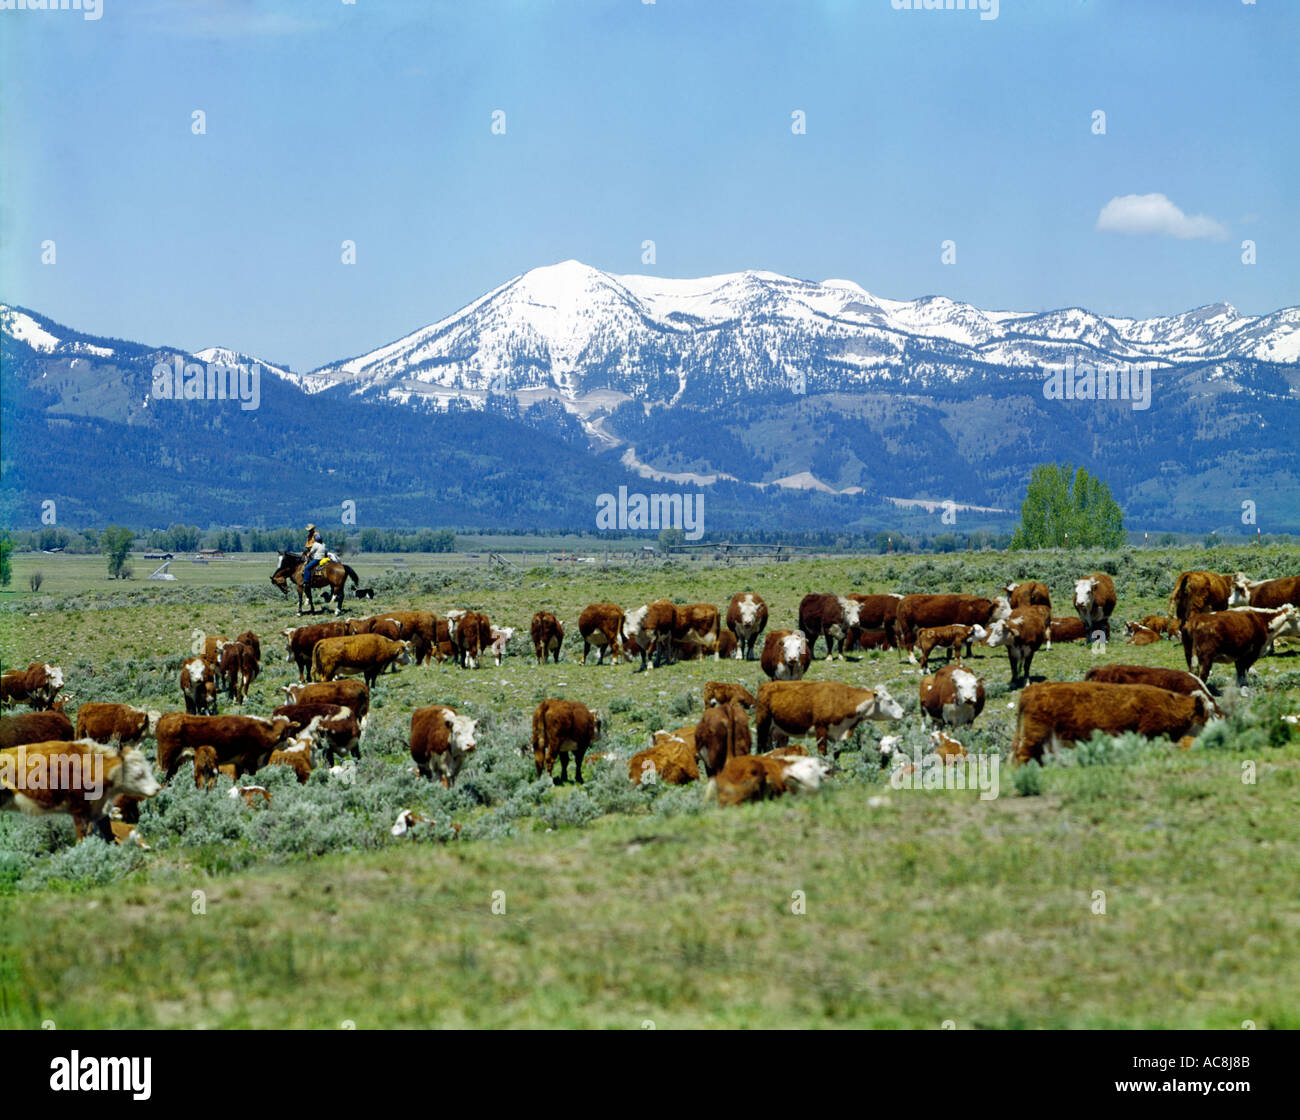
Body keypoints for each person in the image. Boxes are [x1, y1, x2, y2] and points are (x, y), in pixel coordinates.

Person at [302, 523, 326, 589]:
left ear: (313, 529)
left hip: (314, 551)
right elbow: (307, 545)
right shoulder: (309, 536)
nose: (309, 531)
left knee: (307, 567)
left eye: (310, 529)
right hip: (310, 550)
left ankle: (306, 581)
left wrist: (309, 552)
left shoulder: (316, 535)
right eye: (309, 530)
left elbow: (314, 547)